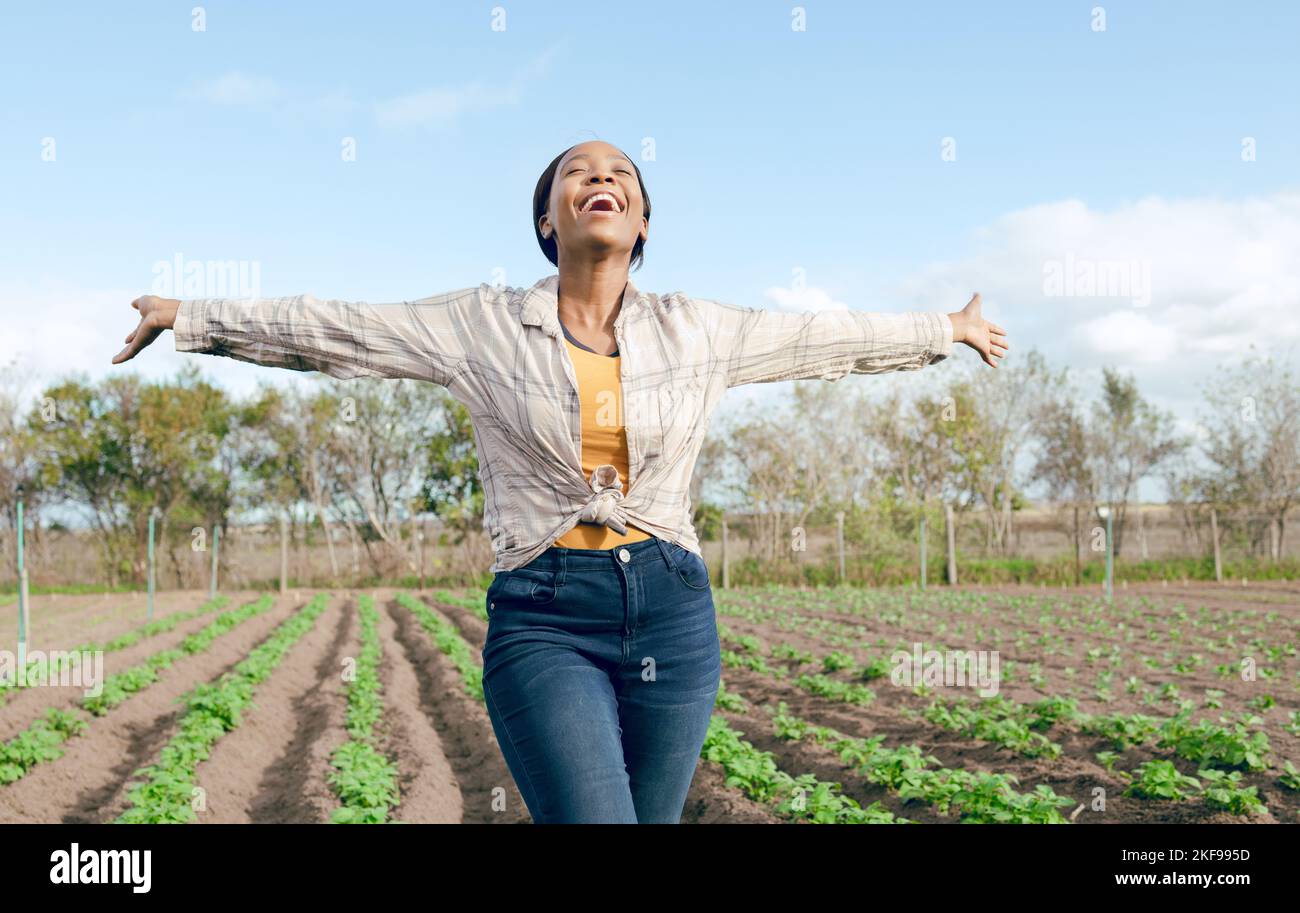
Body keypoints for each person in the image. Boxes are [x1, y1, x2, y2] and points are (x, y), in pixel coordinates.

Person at [112, 139, 1009, 823]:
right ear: (549, 221)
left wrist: (946, 327)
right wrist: (193, 314)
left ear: (643, 221)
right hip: (546, 616)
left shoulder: (700, 329)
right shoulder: (480, 325)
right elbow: (333, 329)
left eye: (618, 171)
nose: (598, 177)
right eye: (575, 173)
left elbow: (825, 339)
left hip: (673, 611)